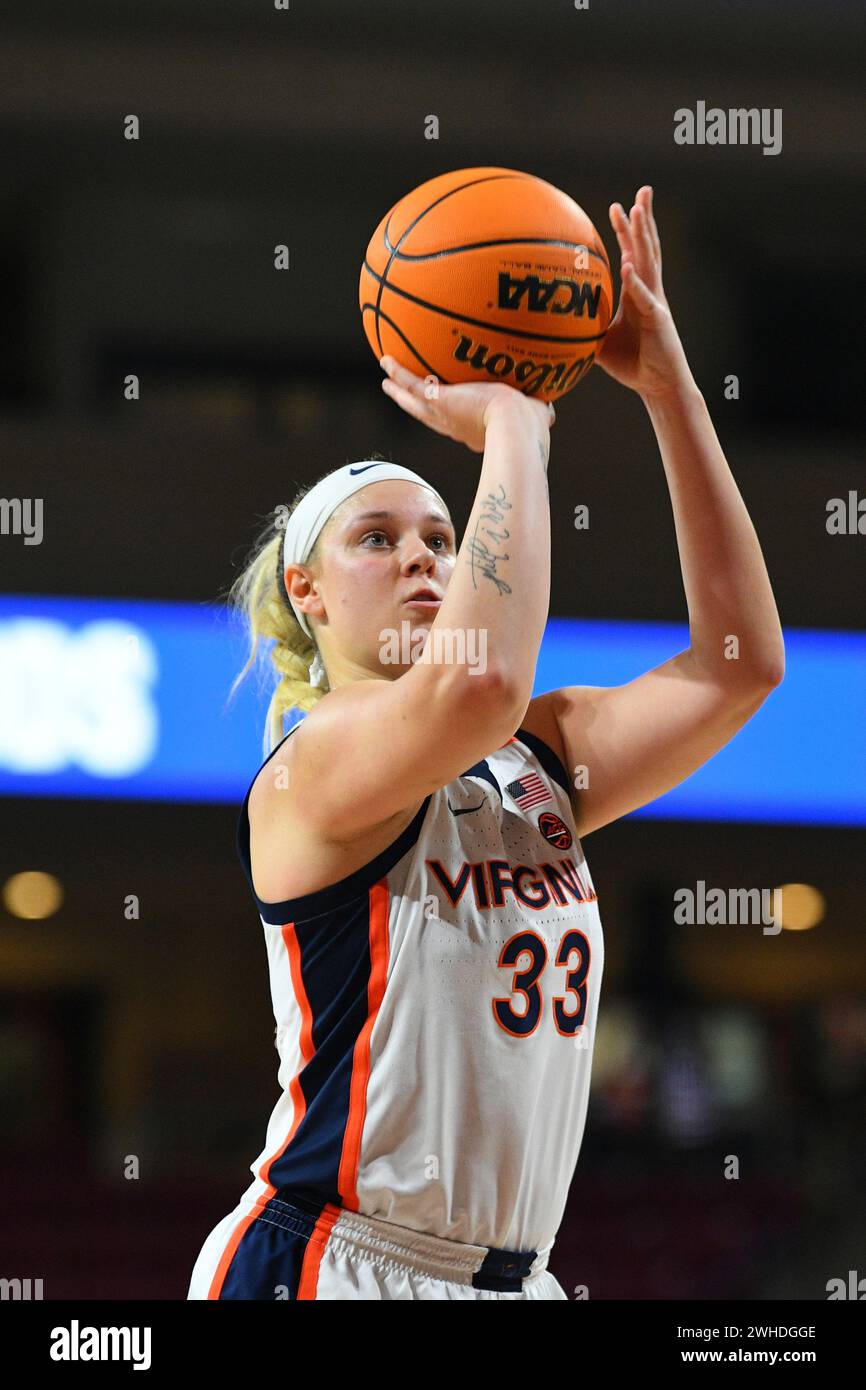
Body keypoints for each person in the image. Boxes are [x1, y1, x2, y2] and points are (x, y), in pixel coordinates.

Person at [187, 186, 784, 1300]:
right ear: (307, 593)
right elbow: (486, 677)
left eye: (441, 536)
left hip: (514, 1279)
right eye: (379, 539)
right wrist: (518, 419)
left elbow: (737, 663)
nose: (422, 556)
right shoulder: (311, 771)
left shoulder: (530, 763)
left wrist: (670, 394)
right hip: (334, 1261)